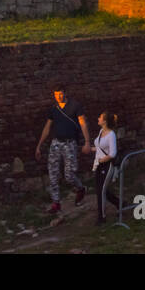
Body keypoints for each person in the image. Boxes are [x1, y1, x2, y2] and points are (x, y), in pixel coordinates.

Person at [35, 86, 91, 214]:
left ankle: (80, 188)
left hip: (69, 143)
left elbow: (82, 123)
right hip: (56, 143)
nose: (58, 96)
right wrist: (39, 145)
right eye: (56, 94)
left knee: (69, 174)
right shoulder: (54, 109)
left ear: (65, 93)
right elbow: (47, 128)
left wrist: (87, 142)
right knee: (53, 173)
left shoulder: (75, 106)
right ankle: (56, 203)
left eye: (60, 94)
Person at [91, 111, 121, 224]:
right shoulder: (101, 131)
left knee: (101, 191)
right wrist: (90, 149)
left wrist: (102, 160)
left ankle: (101, 217)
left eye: (100, 117)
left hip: (107, 165)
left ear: (104, 121)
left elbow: (112, 153)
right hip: (99, 165)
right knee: (101, 190)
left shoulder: (111, 134)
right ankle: (119, 203)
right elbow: (99, 147)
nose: (98, 118)